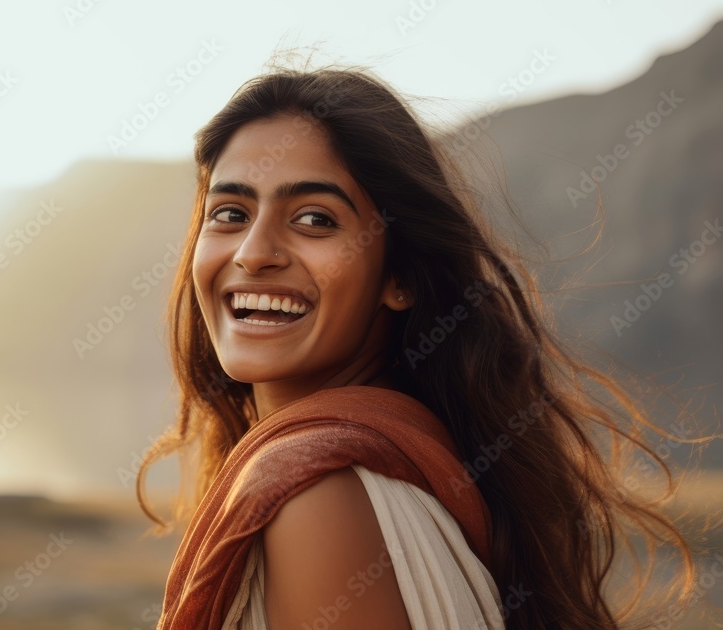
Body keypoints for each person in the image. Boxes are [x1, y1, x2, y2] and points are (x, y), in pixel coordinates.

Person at [136, 65, 697, 629]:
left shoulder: (315, 496)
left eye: (314, 219)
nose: (254, 253)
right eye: (230, 214)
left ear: (400, 275)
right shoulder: (415, 454)